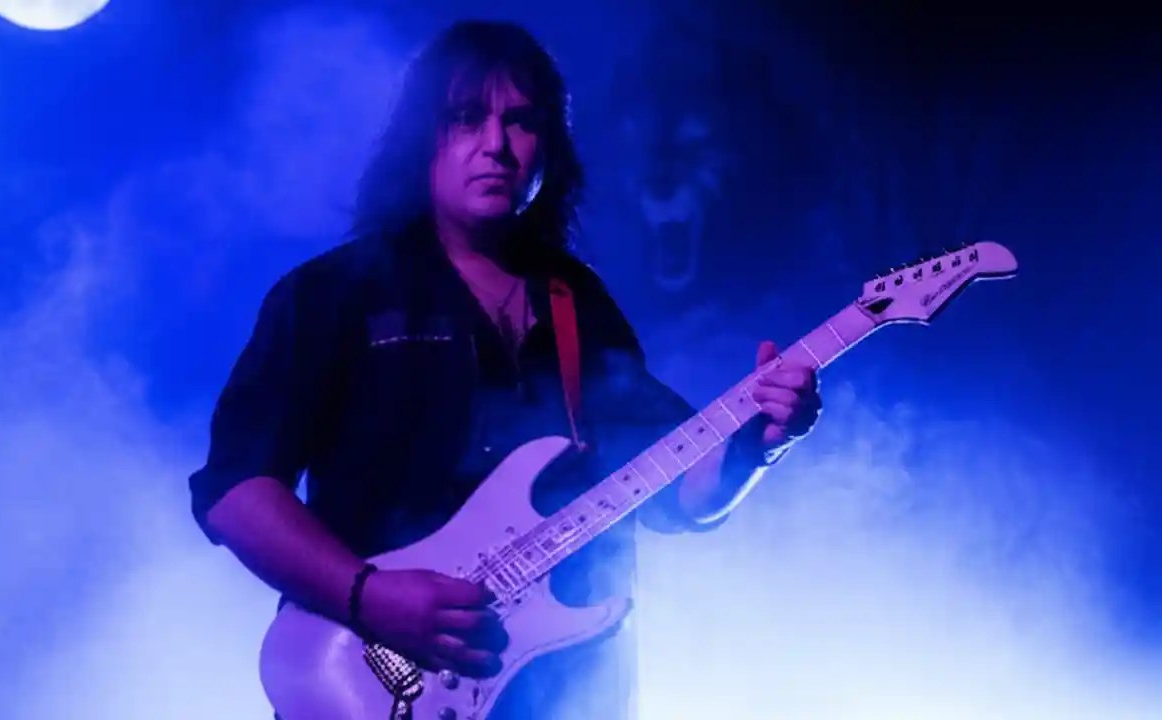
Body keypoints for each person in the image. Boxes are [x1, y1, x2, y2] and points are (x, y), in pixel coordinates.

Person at [188, 19, 821, 719]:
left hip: (564, 693)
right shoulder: (333, 295)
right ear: (421, 140)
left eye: (521, 122)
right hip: (377, 684)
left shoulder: (578, 304)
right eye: (465, 119)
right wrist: (367, 594)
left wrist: (761, 443)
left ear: (550, 151)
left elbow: (679, 492)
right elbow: (236, 492)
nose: (495, 145)